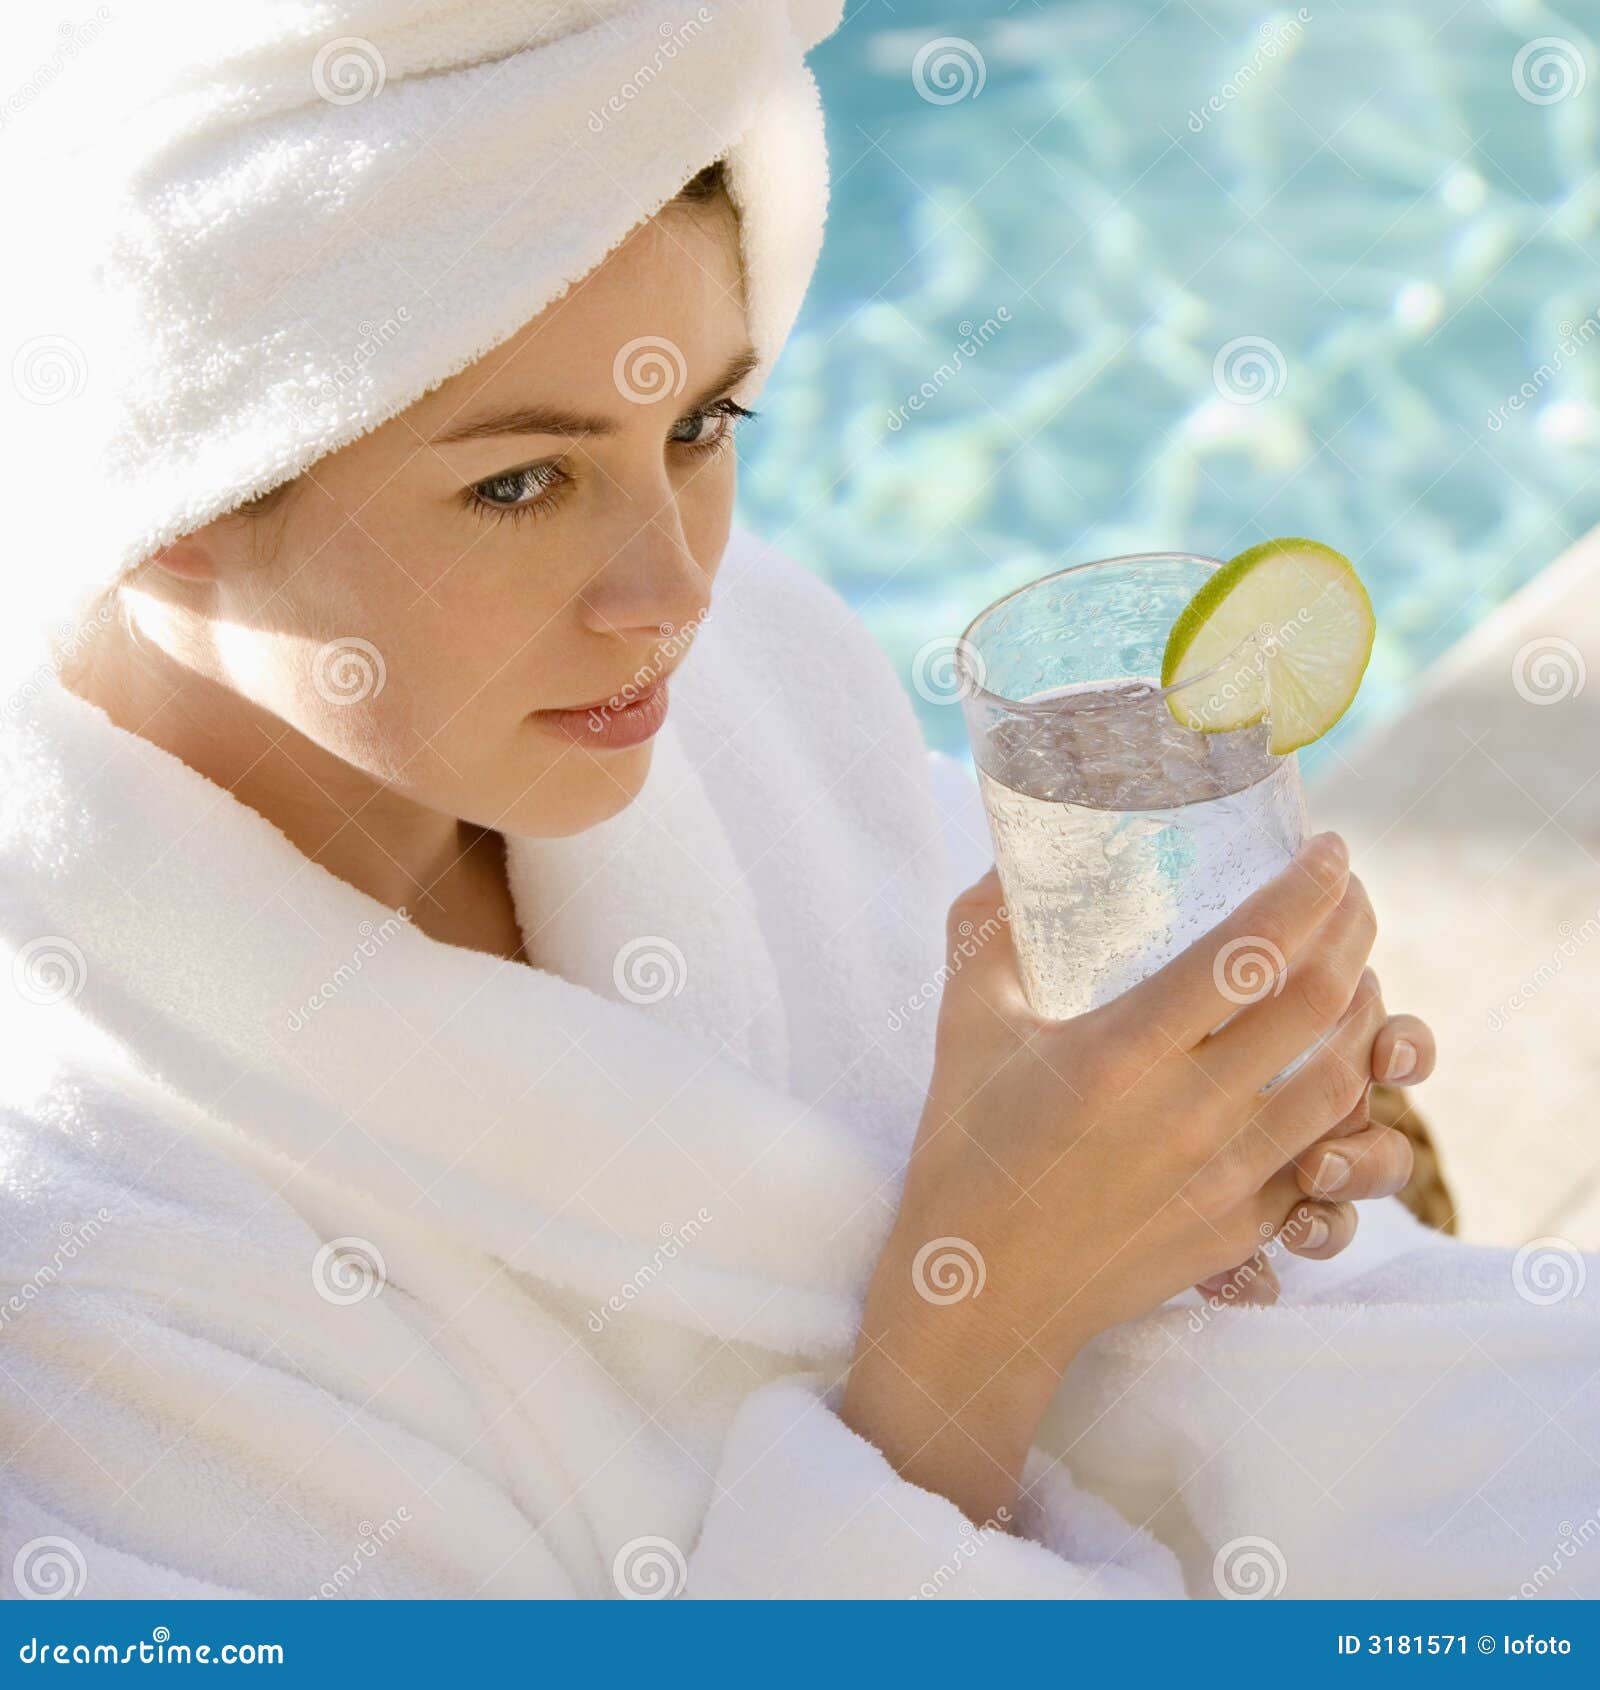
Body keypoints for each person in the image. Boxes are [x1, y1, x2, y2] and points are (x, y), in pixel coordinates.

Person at [0, 2, 1591, 1602]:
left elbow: (1050, 1130)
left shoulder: (753, 678)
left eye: (697, 427)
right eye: (518, 482)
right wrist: (987, 1317)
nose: (673, 589)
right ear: (169, 489)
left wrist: (1201, 1152)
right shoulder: (78, 1270)